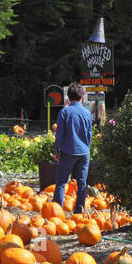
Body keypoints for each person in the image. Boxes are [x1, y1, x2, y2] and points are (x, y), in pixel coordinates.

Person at [53, 82, 92, 213]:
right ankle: (79, 212)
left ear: (68, 97)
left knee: (61, 183)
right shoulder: (87, 113)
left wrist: (55, 150)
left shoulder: (64, 112)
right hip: (84, 152)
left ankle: (57, 213)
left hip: (68, 151)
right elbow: (89, 134)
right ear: (82, 97)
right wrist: (87, 148)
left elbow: (59, 135)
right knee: (82, 184)